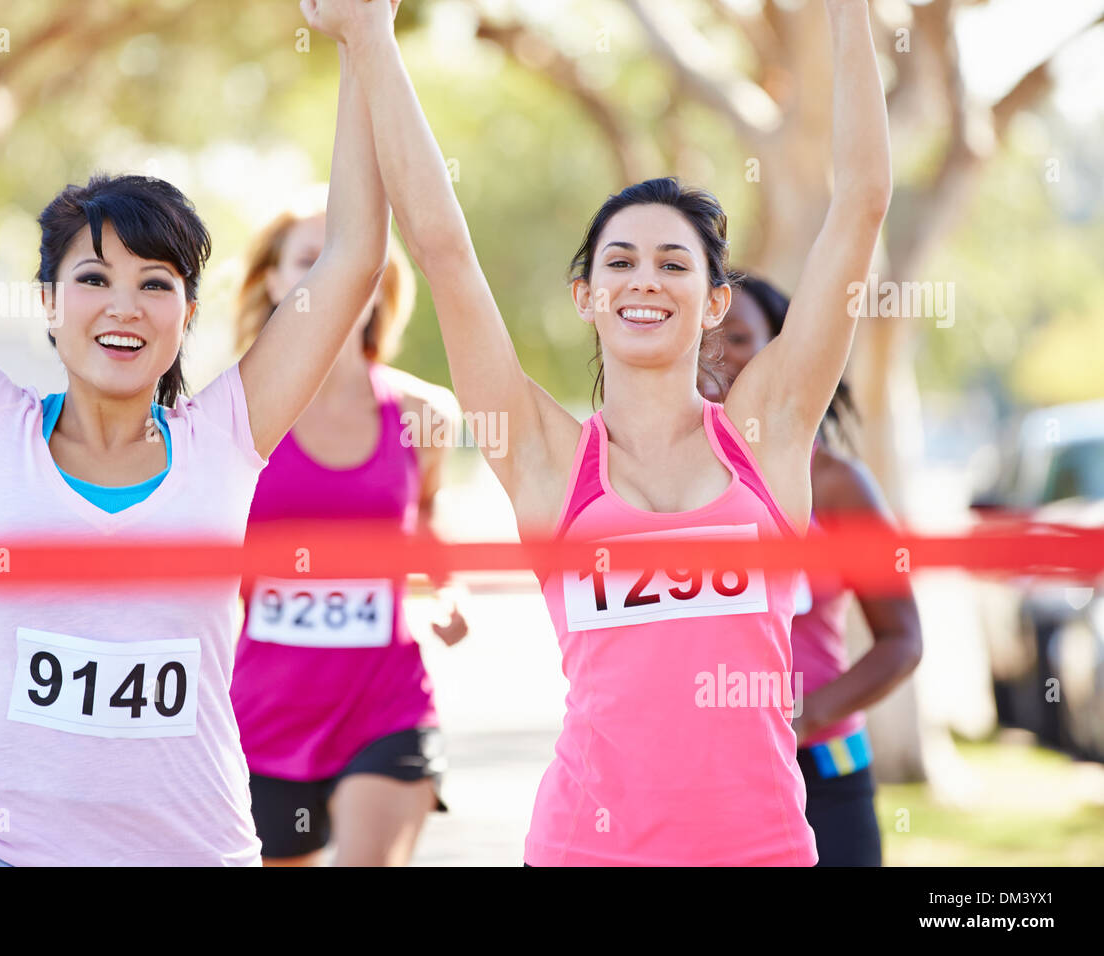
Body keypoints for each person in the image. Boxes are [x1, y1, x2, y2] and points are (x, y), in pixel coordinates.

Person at [0, 0, 391, 865]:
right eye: (93, 277)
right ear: (49, 303)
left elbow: (351, 258)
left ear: (188, 313)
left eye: (157, 283)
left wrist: (362, 36)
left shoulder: (224, 436)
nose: (124, 306)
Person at [305, 0, 892, 864]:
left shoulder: (766, 438)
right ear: (586, 297)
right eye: (618, 261)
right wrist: (373, 36)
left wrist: (848, 14)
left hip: (760, 849)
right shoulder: (545, 459)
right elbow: (443, 249)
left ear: (715, 303)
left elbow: (863, 205)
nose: (642, 281)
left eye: (672, 263)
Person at [228, 195, 468, 866]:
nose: (335, 279)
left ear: (380, 289)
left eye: (357, 264)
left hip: (386, 705)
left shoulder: (425, 412)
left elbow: (426, 519)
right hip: (262, 715)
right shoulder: (227, 411)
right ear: (272, 282)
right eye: (311, 261)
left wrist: (448, 595)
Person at [702, 274, 923, 866]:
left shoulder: (837, 485)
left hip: (824, 767)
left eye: (740, 336)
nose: (714, 354)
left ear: (783, 351)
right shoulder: (657, 486)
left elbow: (902, 639)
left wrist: (804, 721)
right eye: (701, 334)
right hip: (700, 776)